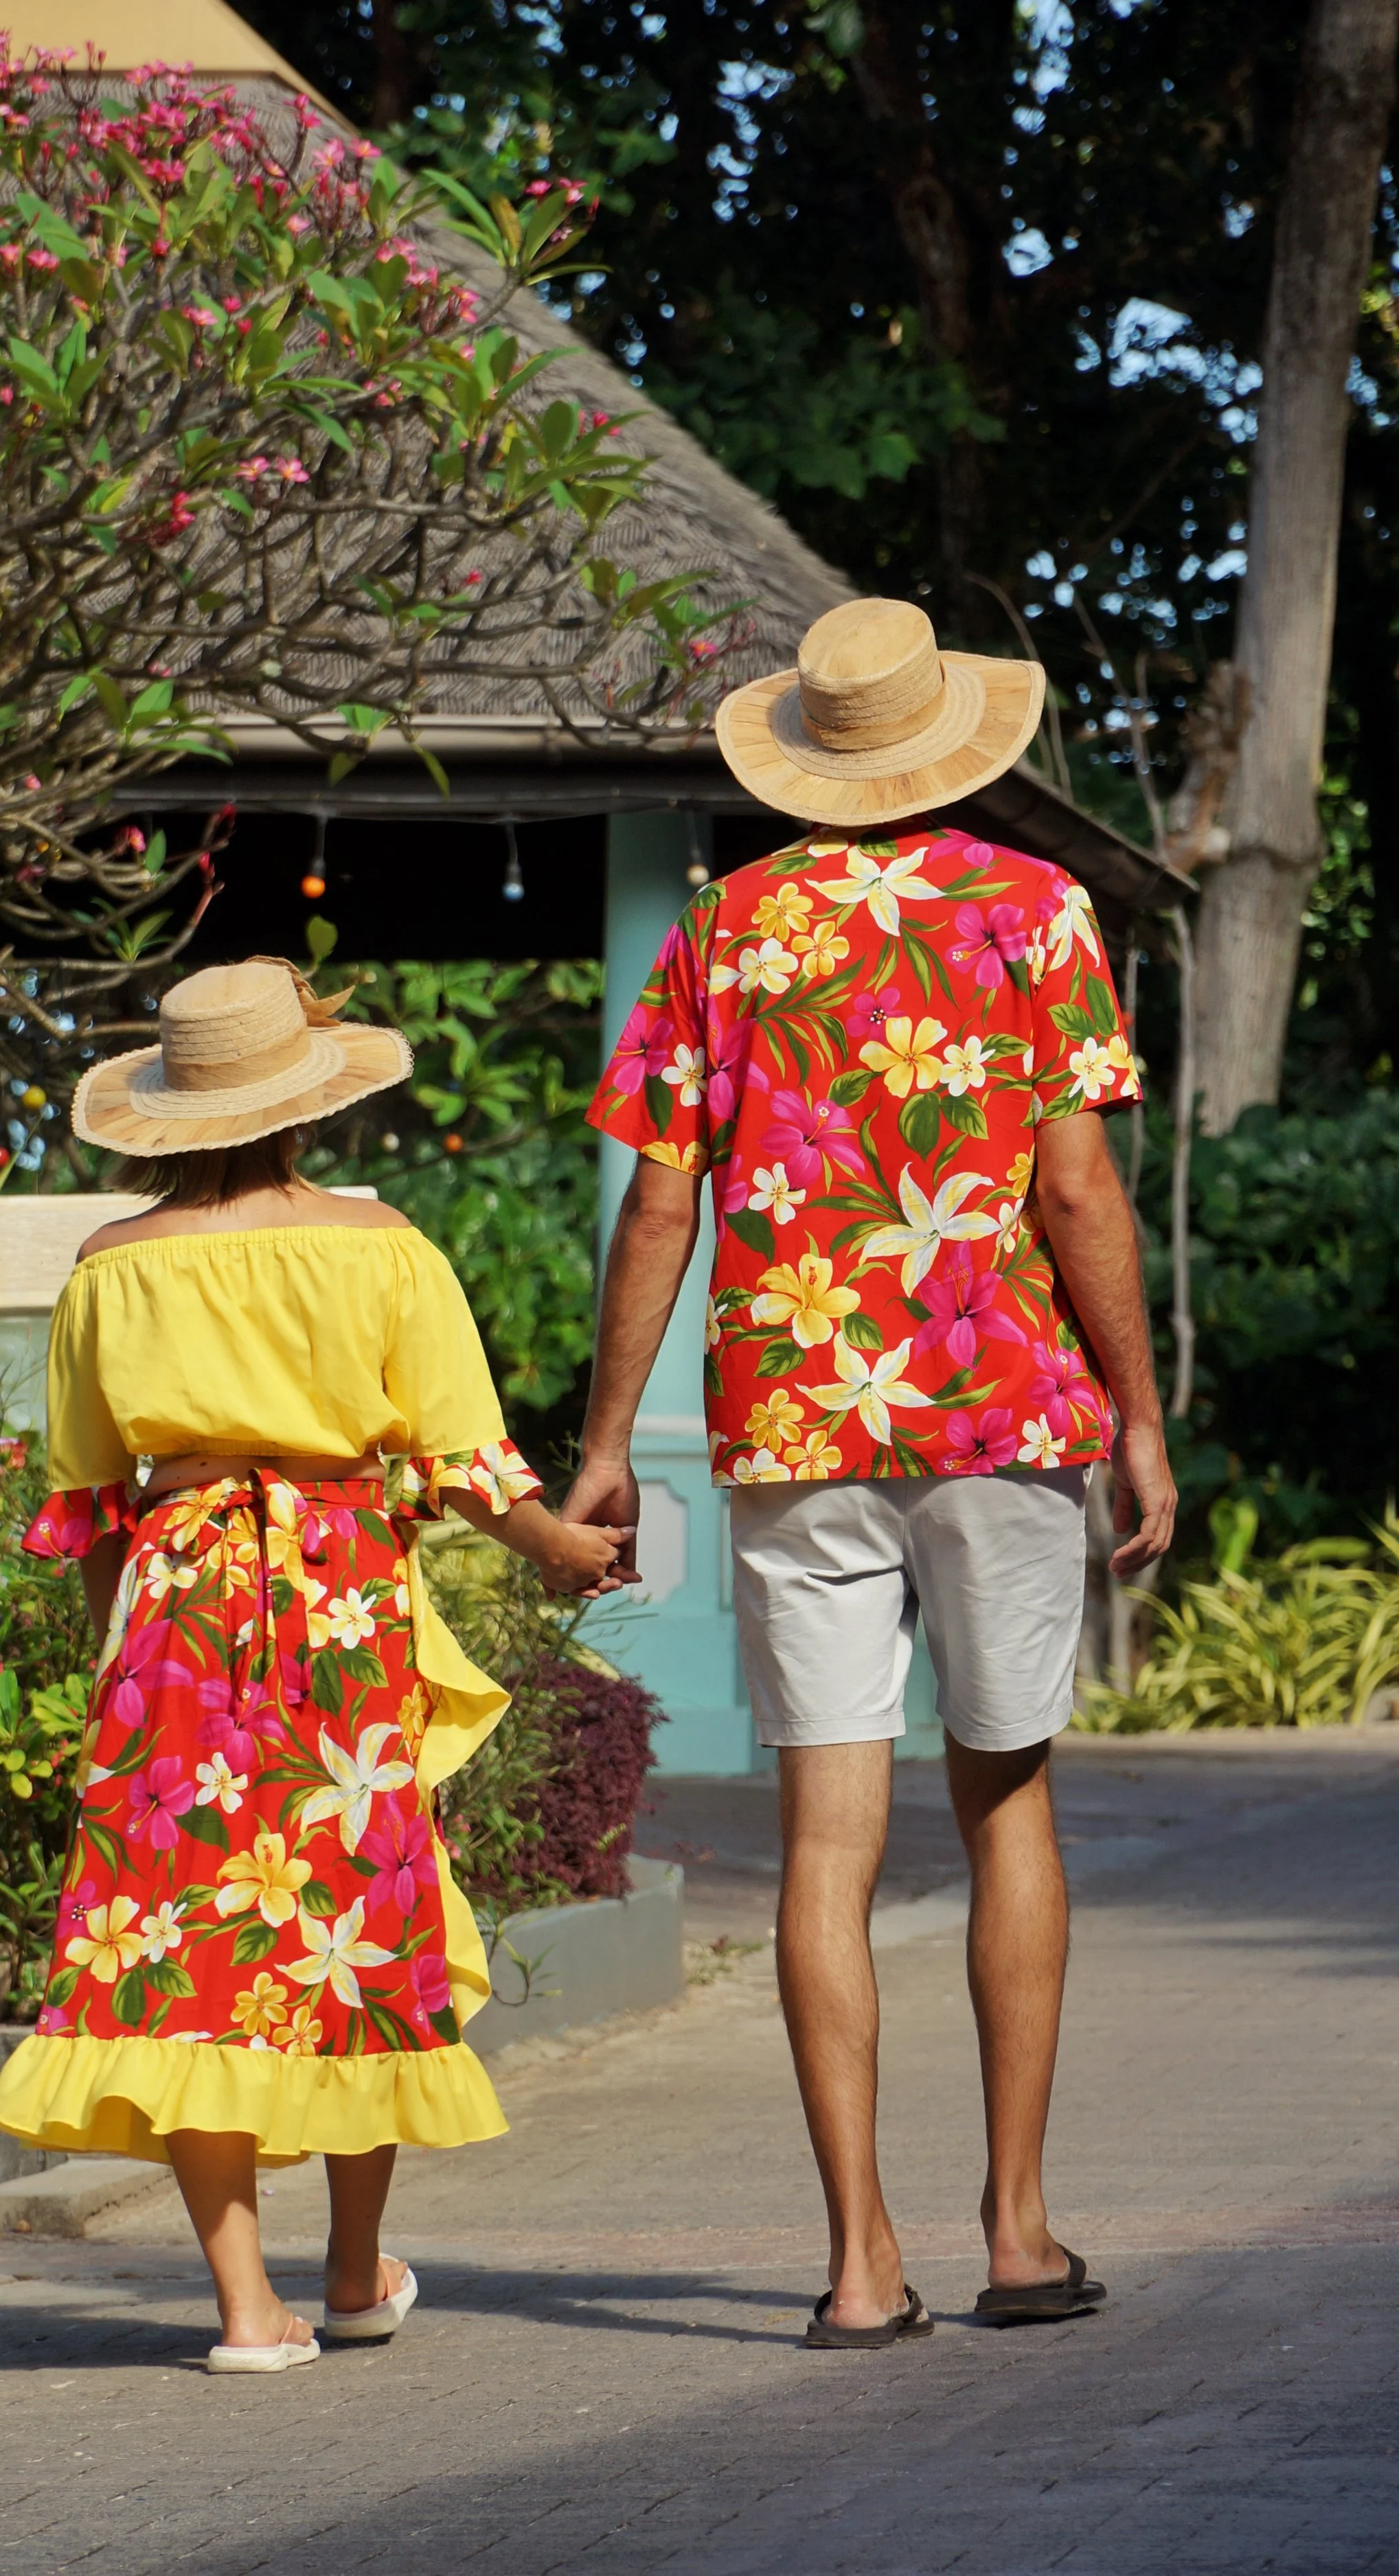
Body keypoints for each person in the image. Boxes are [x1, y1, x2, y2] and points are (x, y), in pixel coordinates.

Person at [565, 596, 1176, 2347]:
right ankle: (1018, 2231)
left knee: (826, 1840)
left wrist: (605, 1446)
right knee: (1005, 1803)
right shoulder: (1031, 909)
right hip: (994, 1413)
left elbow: (659, 1200)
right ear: (946, 739)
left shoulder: (728, 928)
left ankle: (855, 2264)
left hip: (792, 1425)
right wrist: (1132, 1412)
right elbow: (1072, 1194)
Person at [0, 955, 628, 2373]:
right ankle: (348, 2276)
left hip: (178, 1609)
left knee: (182, 1948)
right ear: (305, 1107)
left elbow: (91, 1498)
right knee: (351, 1930)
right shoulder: (379, 1243)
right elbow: (460, 1453)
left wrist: (121, 1653)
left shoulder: (110, 1268)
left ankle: (241, 2311)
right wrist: (551, 1548)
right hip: (338, 1605)